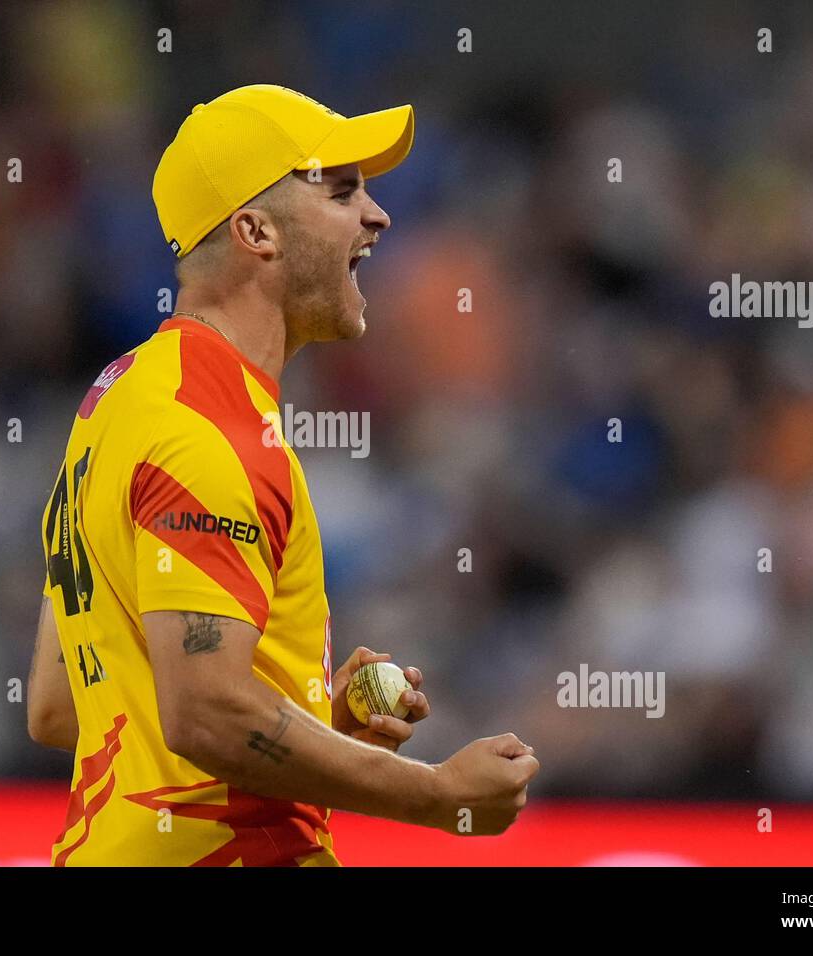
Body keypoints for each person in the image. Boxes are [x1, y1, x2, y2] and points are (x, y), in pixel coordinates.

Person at [28, 84, 539, 866]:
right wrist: (438, 795)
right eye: (341, 191)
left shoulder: (117, 404)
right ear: (256, 231)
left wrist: (305, 715)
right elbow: (204, 717)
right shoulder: (212, 430)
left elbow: (64, 710)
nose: (378, 216)